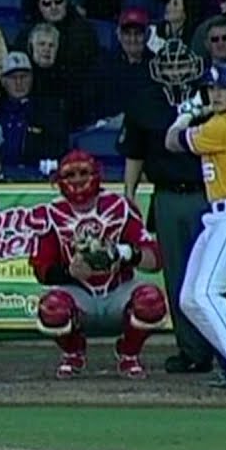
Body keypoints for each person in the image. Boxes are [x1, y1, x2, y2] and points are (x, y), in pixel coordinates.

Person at [117, 39, 226, 376]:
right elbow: (135, 152)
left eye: (181, 65)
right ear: (157, 68)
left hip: (206, 195)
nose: (175, 71)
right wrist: (129, 194)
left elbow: (181, 138)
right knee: (181, 279)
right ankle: (193, 352)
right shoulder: (144, 101)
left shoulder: (214, 101)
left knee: (220, 281)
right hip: (166, 194)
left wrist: (194, 111)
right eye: (169, 65)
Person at [164, 61, 226, 390]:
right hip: (223, 216)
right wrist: (203, 108)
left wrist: (186, 113)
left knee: (207, 292)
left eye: (222, 88)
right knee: (190, 300)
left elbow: (172, 141)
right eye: (212, 88)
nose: (216, 93)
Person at [29, 149, 169, 379]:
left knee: (151, 301)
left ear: (97, 174)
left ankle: (129, 353)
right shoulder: (50, 213)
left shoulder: (119, 207)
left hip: (118, 289)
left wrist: (125, 254)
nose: (78, 181)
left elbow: (154, 259)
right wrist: (69, 272)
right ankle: (73, 351)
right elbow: (41, 269)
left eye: (83, 173)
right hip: (78, 292)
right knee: (52, 308)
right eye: (71, 175)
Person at [0, 51, 68, 169]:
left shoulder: (49, 111)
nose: (19, 83)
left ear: (32, 78)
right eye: (13, 78)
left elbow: (58, 148)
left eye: (24, 77)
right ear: (3, 81)